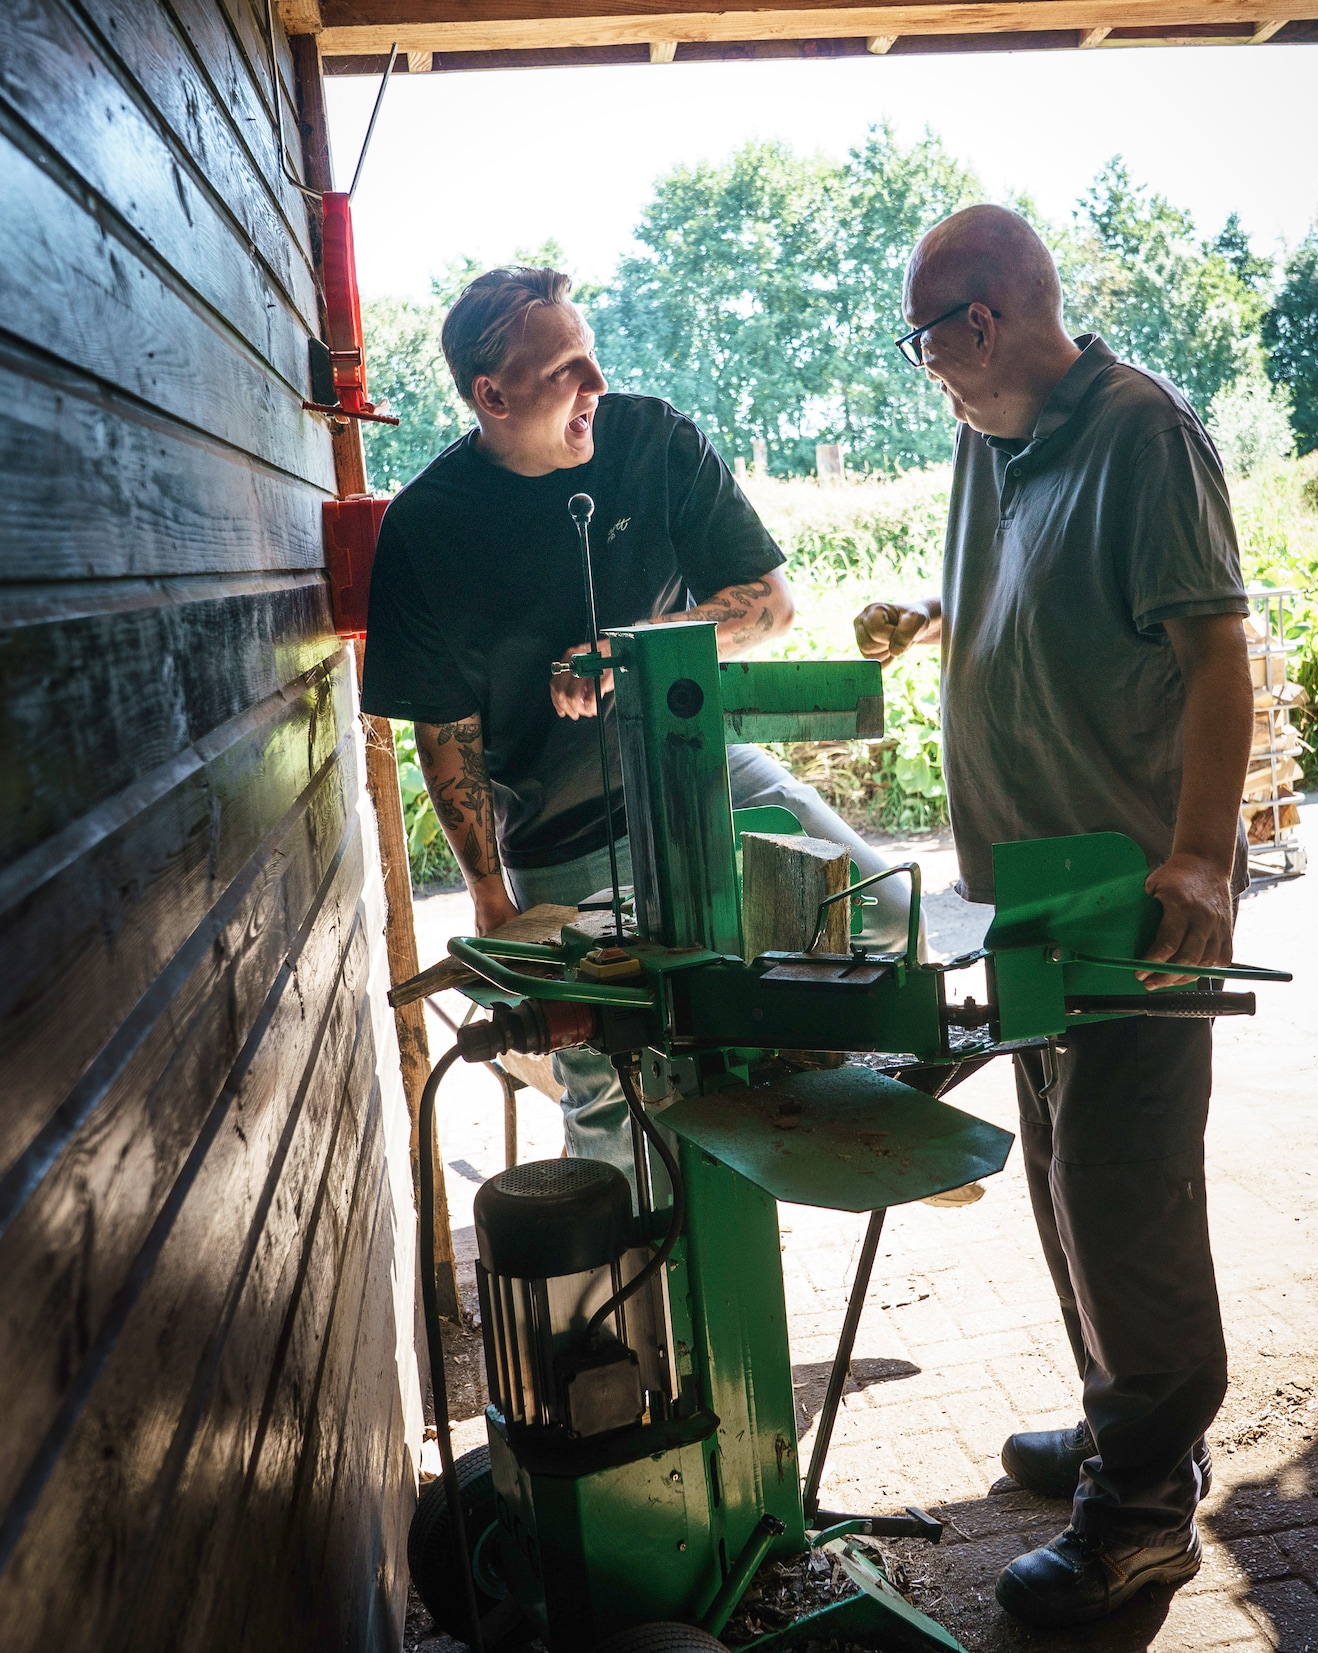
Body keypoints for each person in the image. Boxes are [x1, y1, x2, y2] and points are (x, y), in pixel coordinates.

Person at [855, 205, 1255, 1627]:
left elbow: (1216, 649)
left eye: (927, 346)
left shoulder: (1141, 432)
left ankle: (1143, 1513)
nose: (929, 376)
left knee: (1123, 1189)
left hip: (1135, 888)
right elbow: (1035, 599)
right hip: (1028, 889)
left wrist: (1203, 858)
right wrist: (930, 610)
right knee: (1060, 1174)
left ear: (982, 320)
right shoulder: (991, 439)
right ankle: (1118, 1420)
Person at [361, 265, 910, 1177]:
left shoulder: (655, 442)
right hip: (558, 840)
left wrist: (633, 648)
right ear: (492, 395)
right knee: (608, 1095)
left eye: (594, 355)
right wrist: (493, 900)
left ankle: (827, 1092)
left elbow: (771, 608)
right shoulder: (425, 527)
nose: (597, 386)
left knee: (886, 914)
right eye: (567, 370)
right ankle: (619, 1315)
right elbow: (443, 730)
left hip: (703, 774)